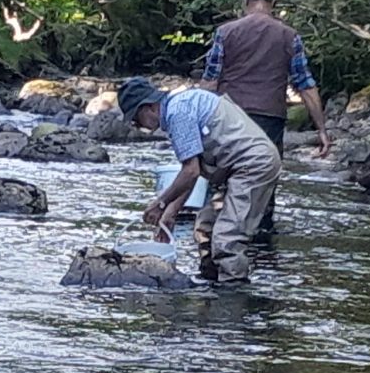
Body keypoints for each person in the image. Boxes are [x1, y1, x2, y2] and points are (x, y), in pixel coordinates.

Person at [118, 78, 280, 283]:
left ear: (148, 107)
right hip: (238, 168)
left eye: (135, 118)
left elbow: (191, 171)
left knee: (226, 239)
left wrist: (160, 203)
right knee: (205, 228)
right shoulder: (180, 107)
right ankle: (210, 282)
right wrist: (170, 214)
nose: (135, 124)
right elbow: (194, 169)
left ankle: (233, 297)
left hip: (254, 165)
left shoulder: (178, 114)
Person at [199, 0, 330, 231]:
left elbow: (210, 82)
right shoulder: (289, 37)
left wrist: (197, 126)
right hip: (269, 120)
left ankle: (213, 247)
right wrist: (322, 130)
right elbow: (305, 85)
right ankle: (263, 252)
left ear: (245, 0)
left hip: (228, 118)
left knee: (221, 185)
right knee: (263, 188)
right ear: (274, 3)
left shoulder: (225, 33)